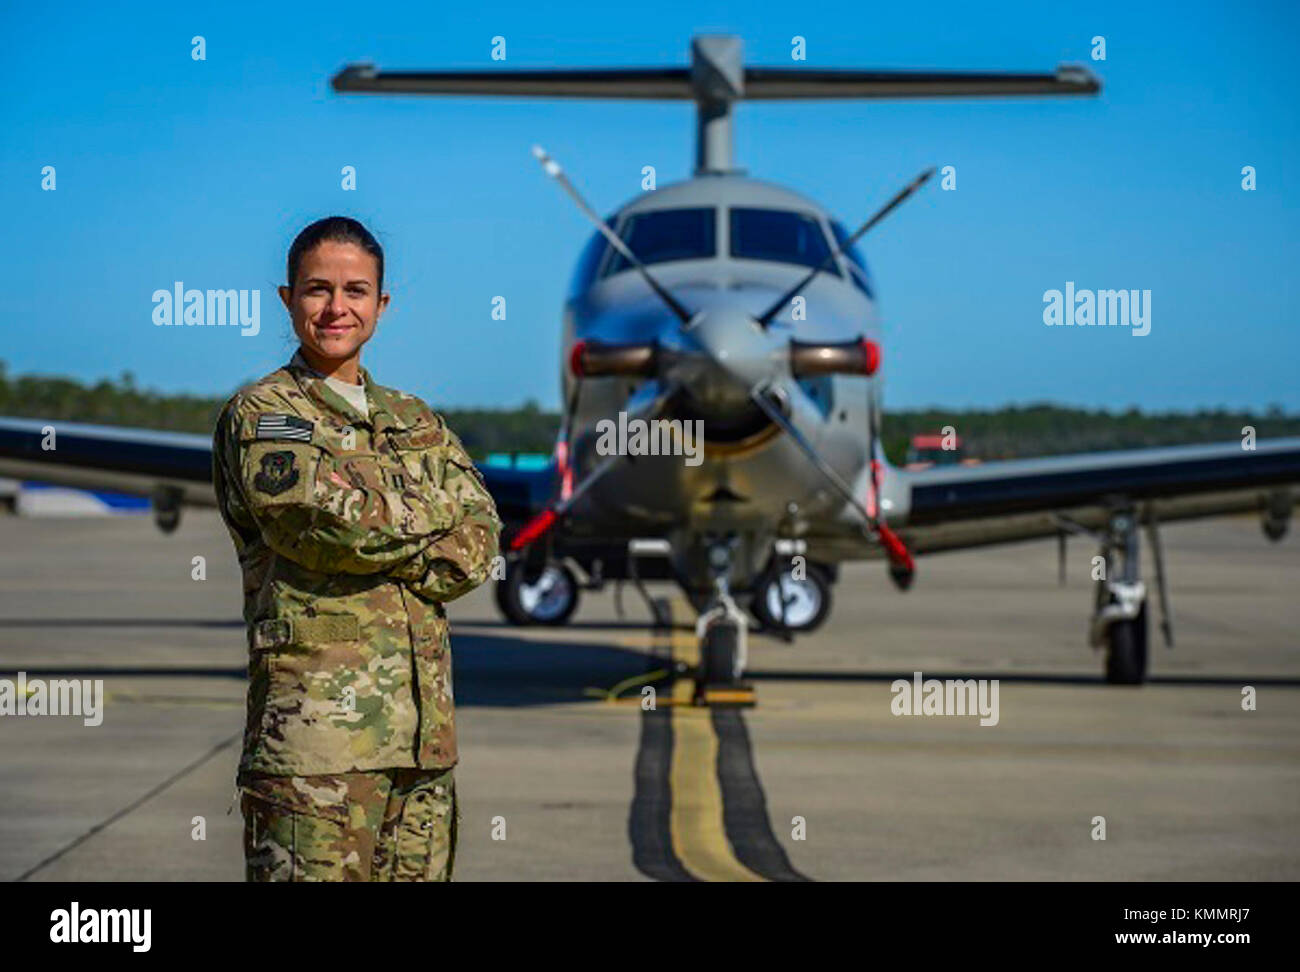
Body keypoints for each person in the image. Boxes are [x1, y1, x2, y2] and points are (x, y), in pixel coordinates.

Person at [212, 216, 501, 881]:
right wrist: (430, 521)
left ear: (382, 304)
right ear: (287, 299)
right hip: (315, 750)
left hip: (423, 752)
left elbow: (481, 534)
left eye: (356, 291)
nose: (337, 308)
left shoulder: (415, 419)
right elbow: (315, 522)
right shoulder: (268, 415)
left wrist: (383, 513)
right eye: (317, 290)